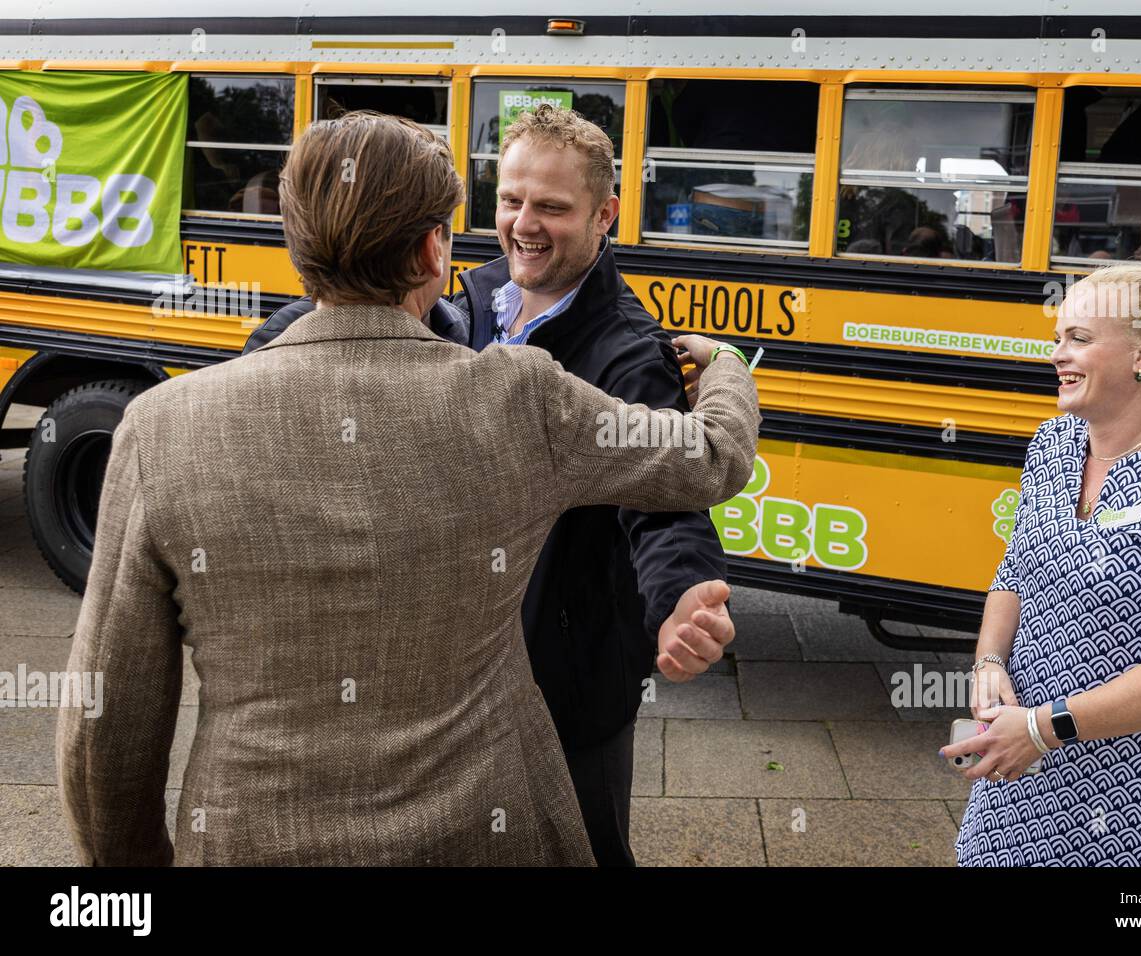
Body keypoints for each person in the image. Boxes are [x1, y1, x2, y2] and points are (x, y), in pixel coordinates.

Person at [56, 111, 760, 866]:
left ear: (296, 245)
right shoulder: (519, 396)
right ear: (432, 249)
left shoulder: (159, 428)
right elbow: (711, 455)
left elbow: (105, 721)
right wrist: (722, 366)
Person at [246, 105, 740, 866]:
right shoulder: (466, 298)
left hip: (562, 676)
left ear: (605, 213)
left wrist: (680, 596)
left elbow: (662, 496)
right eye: (511, 201)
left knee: (584, 843)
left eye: (552, 207)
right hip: (448, 675)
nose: (524, 225)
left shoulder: (629, 349)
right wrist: (274, 345)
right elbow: (360, 315)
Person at [941, 264, 1141, 866]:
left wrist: (1039, 729)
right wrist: (988, 663)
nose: (1057, 353)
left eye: (1079, 338)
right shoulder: (1054, 444)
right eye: (1059, 337)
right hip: (1016, 794)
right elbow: (1015, 574)